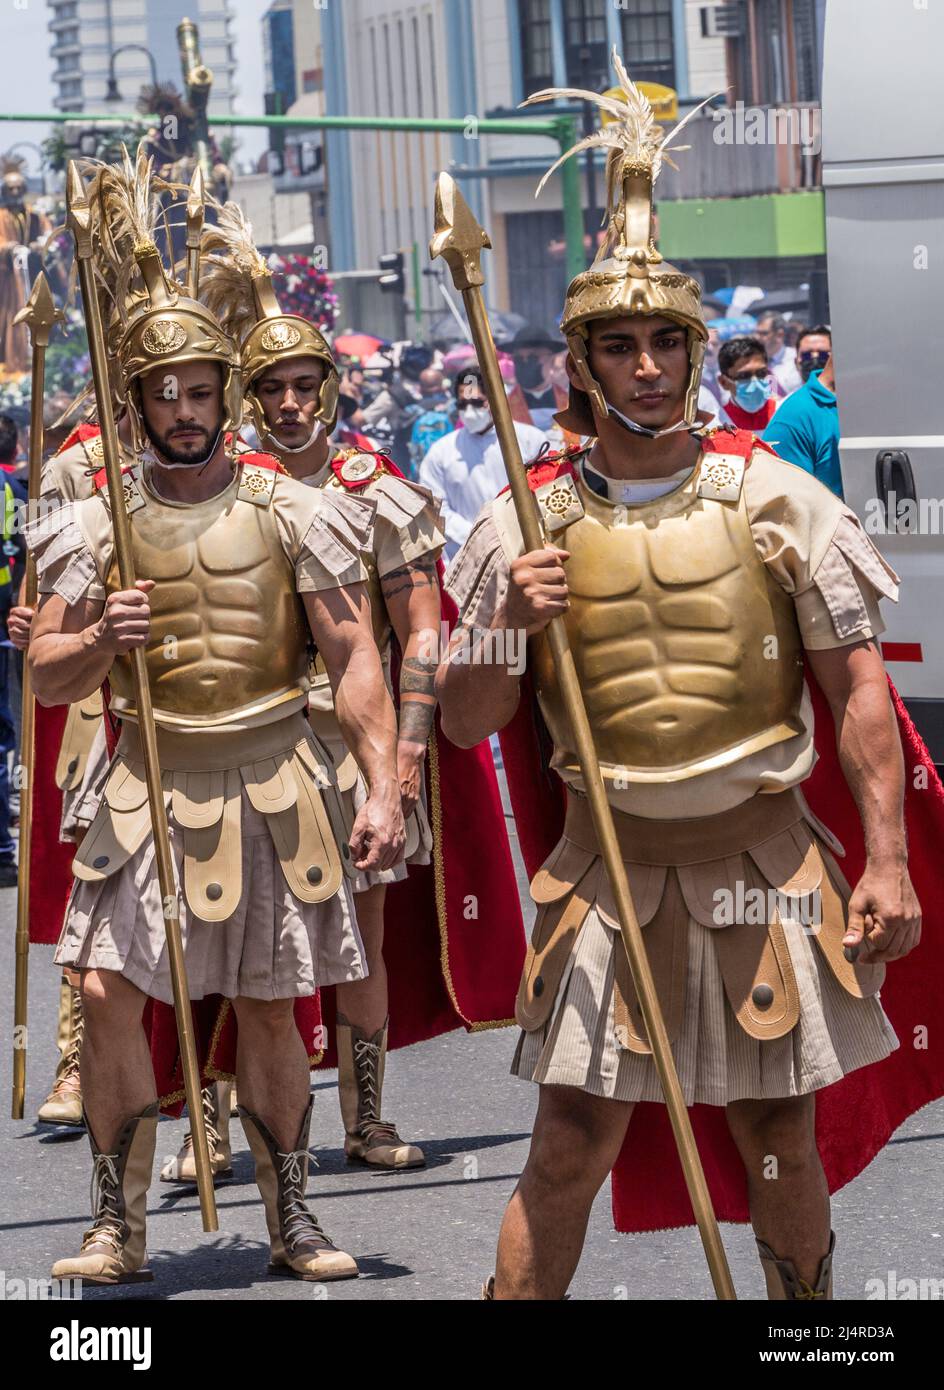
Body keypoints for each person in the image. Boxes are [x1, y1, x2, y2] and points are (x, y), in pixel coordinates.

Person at [438, 57, 932, 1301]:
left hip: (762, 860)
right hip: (605, 873)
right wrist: (502, 619)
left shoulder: (777, 500)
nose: (647, 366)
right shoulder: (521, 523)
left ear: (696, 352)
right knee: (566, 1145)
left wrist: (883, 860)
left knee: (775, 1145)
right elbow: (465, 718)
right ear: (583, 364)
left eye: (667, 342)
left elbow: (858, 692)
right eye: (620, 346)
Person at [26, 156, 406, 1285]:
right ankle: (116, 1223)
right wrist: (101, 641)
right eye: (165, 394)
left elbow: (355, 656)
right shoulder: (94, 523)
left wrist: (384, 783)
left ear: (223, 396)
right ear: (136, 403)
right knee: (106, 993)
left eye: (201, 392)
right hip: (145, 778)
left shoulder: (298, 510)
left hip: (274, 775)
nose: (185, 412)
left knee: (272, 1007)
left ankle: (292, 1217)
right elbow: (44, 675)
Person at [147, 202, 524, 1184]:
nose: (287, 402)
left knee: (361, 935)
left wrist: (406, 751)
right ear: (247, 394)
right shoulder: (216, 489)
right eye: (269, 386)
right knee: (219, 933)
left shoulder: (373, 485)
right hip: (244, 741)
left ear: (330, 387)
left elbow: (423, 628)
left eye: (303, 384)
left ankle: (364, 1118)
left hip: (352, 739)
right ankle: (206, 1126)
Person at [419, 366, 547, 561]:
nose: (469, 412)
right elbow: (434, 506)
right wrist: (476, 535)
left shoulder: (531, 440)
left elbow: (544, 493)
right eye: (463, 404)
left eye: (477, 403)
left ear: (495, 399)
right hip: (466, 555)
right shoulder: (441, 452)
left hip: (525, 549)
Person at [762, 325, 841, 498]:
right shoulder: (792, 416)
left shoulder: (857, 399)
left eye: (822, 354)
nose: (814, 359)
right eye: (806, 355)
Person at [508, 325, 565, 432]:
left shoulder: (572, 404)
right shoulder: (503, 408)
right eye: (519, 358)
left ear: (552, 360)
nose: (526, 363)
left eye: (533, 357)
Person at [716, 336, 778, 432]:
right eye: (744, 376)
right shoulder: (717, 423)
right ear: (724, 382)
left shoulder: (782, 413)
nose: (755, 383)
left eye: (761, 373)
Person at [754, 312, 802, 396]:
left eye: (764, 333)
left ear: (780, 335)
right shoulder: (752, 362)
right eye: (757, 333)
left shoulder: (797, 358)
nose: (757, 338)